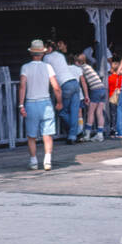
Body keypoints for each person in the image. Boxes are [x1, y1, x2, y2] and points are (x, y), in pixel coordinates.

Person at [18, 39, 62, 170]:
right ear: (42, 53)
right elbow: (56, 87)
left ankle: (33, 161)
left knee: (31, 136)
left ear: (31, 53)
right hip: (46, 103)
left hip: (31, 103)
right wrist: (59, 102)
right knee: (47, 134)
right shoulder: (48, 67)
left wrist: (21, 105)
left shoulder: (25, 67)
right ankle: (47, 160)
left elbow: (22, 86)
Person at [43, 40, 74, 139]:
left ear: (49, 48)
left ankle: (77, 131)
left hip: (64, 84)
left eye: (45, 48)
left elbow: (45, 72)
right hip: (74, 82)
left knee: (63, 112)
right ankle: (73, 135)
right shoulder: (60, 55)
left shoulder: (47, 57)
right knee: (73, 110)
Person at [77, 54, 106, 140]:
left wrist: (86, 96)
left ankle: (87, 134)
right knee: (99, 113)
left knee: (90, 112)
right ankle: (100, 134)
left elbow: (84, 82)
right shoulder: (88, 67)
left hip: (95, 90)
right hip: (102, 88)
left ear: (78, 62)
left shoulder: (81, 68)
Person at [107, 56, 122, 136]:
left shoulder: (110, 78)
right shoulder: (121, 77)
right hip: (120, 96)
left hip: (112, 97)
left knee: (113, 113)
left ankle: (113, 128)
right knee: (120, 112)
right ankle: (120, 127)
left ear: (112, 69)